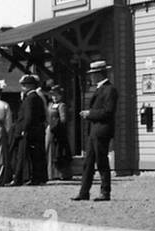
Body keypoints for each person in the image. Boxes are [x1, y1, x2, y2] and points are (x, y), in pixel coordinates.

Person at [74, 60, 117, 202]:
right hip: (94, 131)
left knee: (101, 161)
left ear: (99, 74)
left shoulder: (110, 90)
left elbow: (108, 112)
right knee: (88, 162)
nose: (91, 78)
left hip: (102, 130)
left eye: (93, 75)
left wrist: (89, 114)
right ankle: (84, 192)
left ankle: (105, 192)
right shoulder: (99, 89)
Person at [9, 73, 47, 186]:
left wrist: (24, 129)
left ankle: (18, 179)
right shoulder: (36, 98)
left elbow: (29, 116)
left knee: (22, 155)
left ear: (30, 86)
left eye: (24, 85)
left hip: (28, 131)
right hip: (35, 131)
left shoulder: (31, 98)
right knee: (35, 155)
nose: (23, 88)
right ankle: (37, 178)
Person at [45, 84, 71, 181]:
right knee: (49, 150)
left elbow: (63, 119)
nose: (54, 97)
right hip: (49, 129)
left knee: (58, 151)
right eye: (53, 95)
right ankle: (50, 173)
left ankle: (61, 173)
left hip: (58, 130)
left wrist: (56, 126)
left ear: (60, 96)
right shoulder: (50, 105)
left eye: (56, 95)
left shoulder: (62, 105)